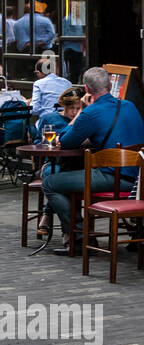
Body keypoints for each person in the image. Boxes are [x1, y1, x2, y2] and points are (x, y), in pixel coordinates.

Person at [44, 67, 144, 256]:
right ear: (109, 85)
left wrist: (81, 111)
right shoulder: (129, 105)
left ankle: (80, 237)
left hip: (115, 178)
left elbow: (66, 142)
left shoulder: (90, 112)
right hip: (142, 179)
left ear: (86, 89)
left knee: (51, 182)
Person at [32, 90, 83, 240]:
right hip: (53, 163)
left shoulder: (84, 120)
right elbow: (36, 142)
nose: (74, 112)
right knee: (54, 176)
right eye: (71, 108)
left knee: (62, 181)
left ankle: (48, 214)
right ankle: (69, 232)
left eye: (77, 108)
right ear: (63, 106)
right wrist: (46, 143)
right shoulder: (50, 118)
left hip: (75, 165)